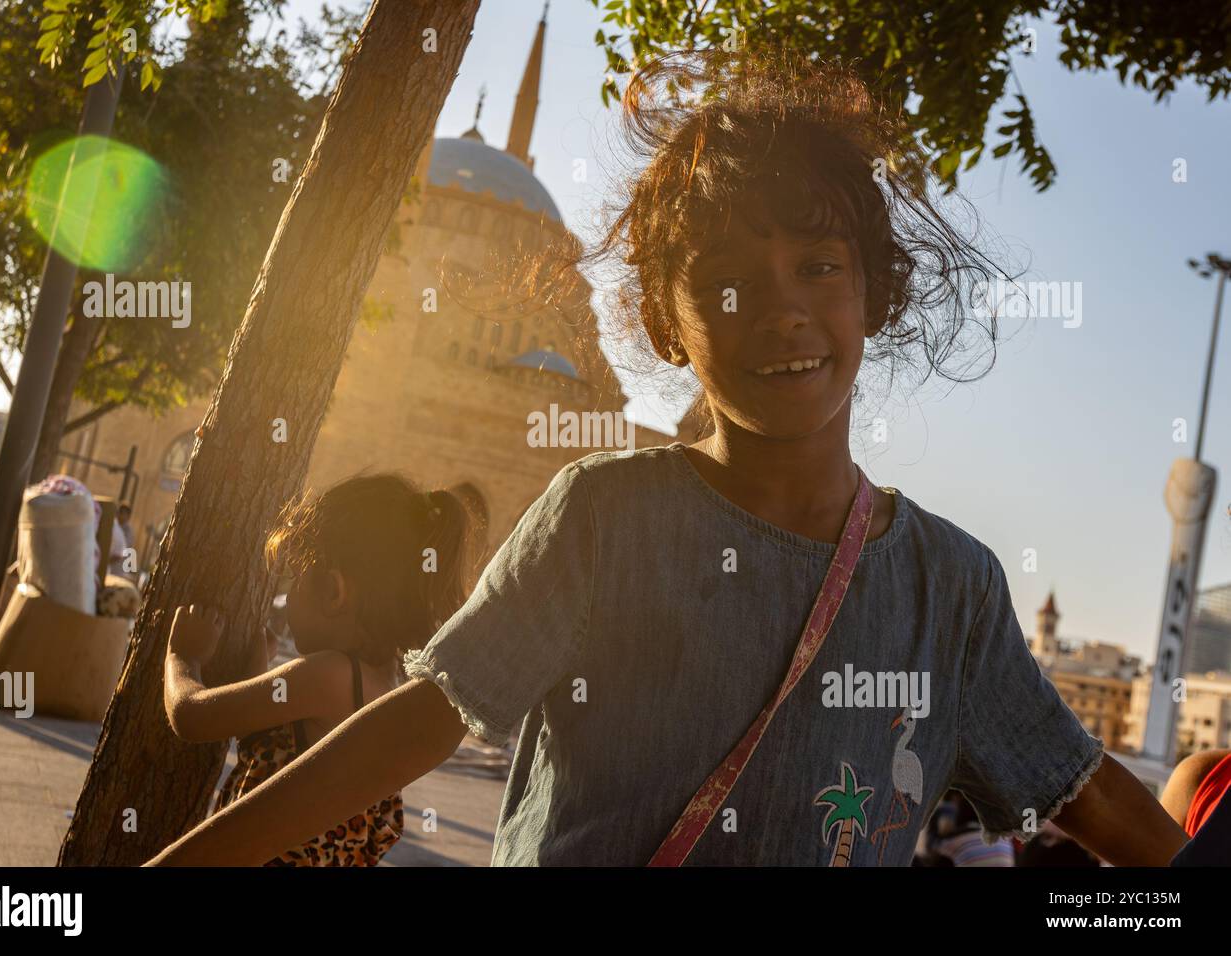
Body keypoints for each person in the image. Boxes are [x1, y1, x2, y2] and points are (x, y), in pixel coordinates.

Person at [149, 45, 1190, 867]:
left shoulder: (948, 586)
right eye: (729, 275)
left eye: (817, 264)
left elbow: (1076, 785)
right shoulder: (605, 516)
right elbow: (425, 716)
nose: (780, 308)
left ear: (875, 287)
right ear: (664, 321)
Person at [162, 473, 470, 865]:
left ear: (333, 591)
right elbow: (266, 740)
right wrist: (259, 666)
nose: (289, 594)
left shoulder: (327, 675)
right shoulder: (387, 684)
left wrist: (182, 657)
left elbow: (194, 717)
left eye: (297, 578)